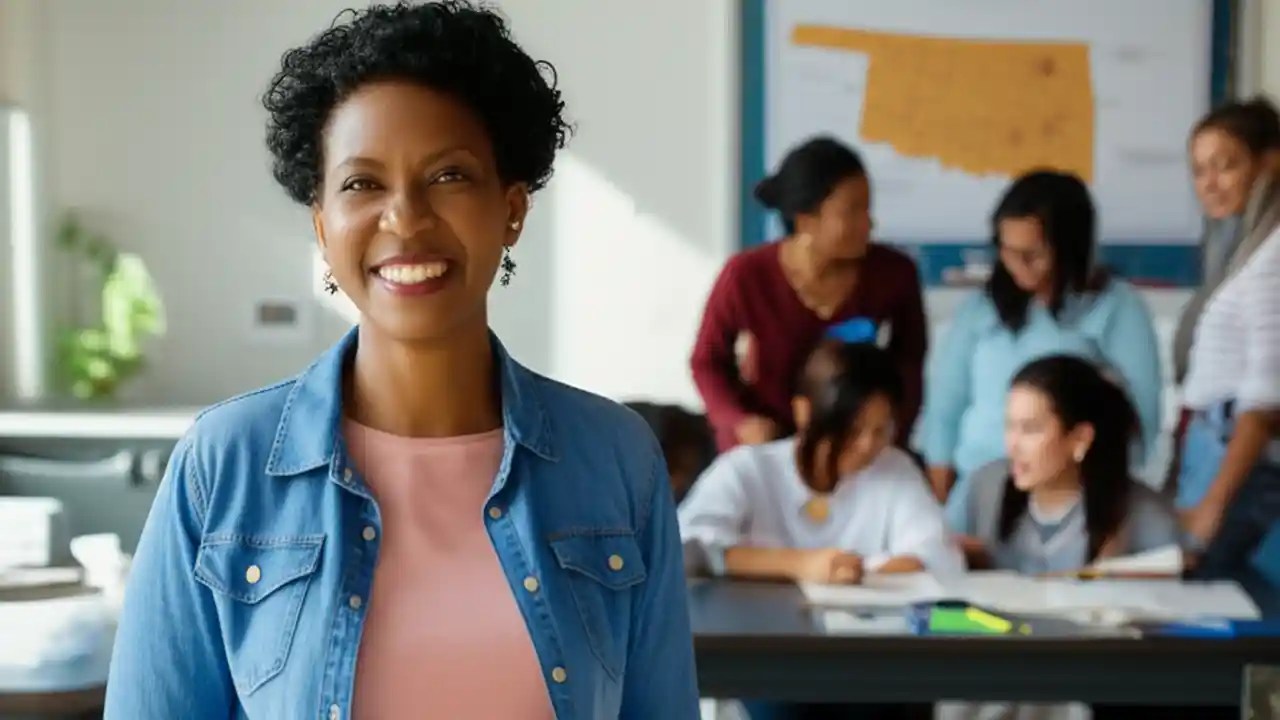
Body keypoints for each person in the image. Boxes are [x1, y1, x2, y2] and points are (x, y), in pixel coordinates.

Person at [103, 4, 699, 719]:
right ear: (322, 225)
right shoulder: (223, 466)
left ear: (511, 209)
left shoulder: (616, 460)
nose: (406, 218)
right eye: (362, 184)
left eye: (449, 175)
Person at [681, 341, 957, 720]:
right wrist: (799, 565)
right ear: (804, 412)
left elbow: (937, 556)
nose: (867, 446)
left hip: (873, 664)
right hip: (769, 658)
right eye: (851, 429)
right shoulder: (749, 469)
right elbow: (687, 547)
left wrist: (858, 571)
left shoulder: (894, 469)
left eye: (880, 430)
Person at [942, 355, 1182, 720]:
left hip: (1093, 682)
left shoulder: (1140, 512)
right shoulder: (982, 487)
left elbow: (1172, 613)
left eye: (1031, 429)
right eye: (1010, 427)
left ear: (1079, 438)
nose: (1014, 445)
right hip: (987, 674)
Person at [922, 171, 1163, 527]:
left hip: (1069, 499)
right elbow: (944, 408)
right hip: (979, 490)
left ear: (1069, 248)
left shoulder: (1116, 308)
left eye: (1032, 254)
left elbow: (1139, 419)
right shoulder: (982, 308)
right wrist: (939, 493)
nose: (1017, 265)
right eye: (1007, 251)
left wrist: (1102, 495)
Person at [690, 136, 927, 452]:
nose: (869, 223)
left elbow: (909, 363)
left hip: (857, 448)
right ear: (806, 219)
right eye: (853, 210)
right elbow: (707, 361)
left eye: (868, 208)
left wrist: (888, 432)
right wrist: (739, 421)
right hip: (765, 447)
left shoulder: (894, 273)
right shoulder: (746, 275)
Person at [1175, 98, 1280, 574]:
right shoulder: (1240, 246)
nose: (1209, 184)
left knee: (1225, 615)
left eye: (1225, 166)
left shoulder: (1272, 254)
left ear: (1269, 161)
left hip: (1240, 467)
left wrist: (1213, 506)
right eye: (1199, 170)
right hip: (1213, 450)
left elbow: (1264, 399)